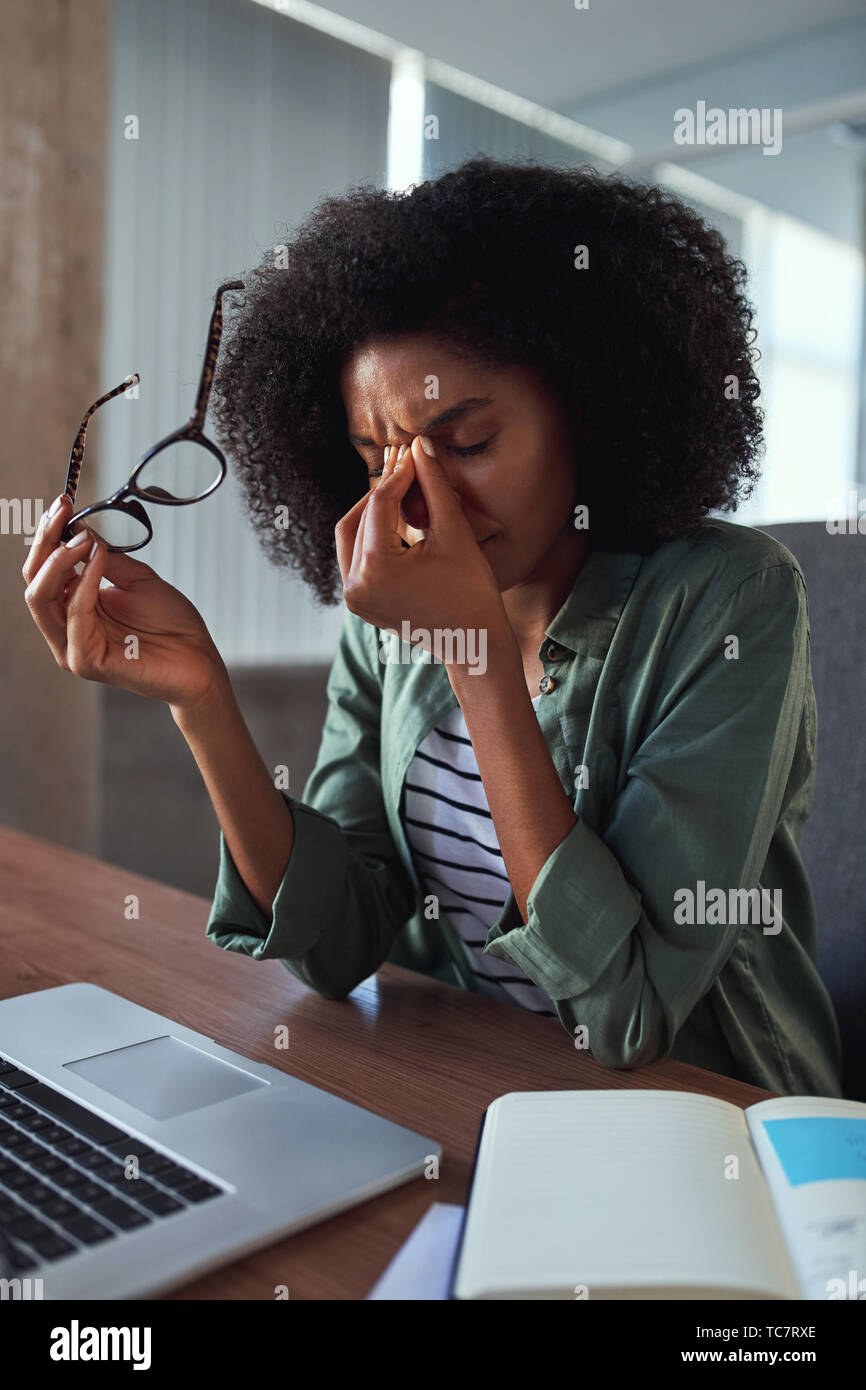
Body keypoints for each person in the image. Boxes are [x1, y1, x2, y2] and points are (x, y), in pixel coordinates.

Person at [23, 156, 843, 1097]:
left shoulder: (728, 599)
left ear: (587, 408)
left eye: (467, 443)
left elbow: (630, 1015)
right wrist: (203, 696)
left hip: (708, 1116)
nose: (418, 501)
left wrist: (474, 654)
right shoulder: (390, 622)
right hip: (486, 1085)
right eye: (377, 458)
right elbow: (338, 943)